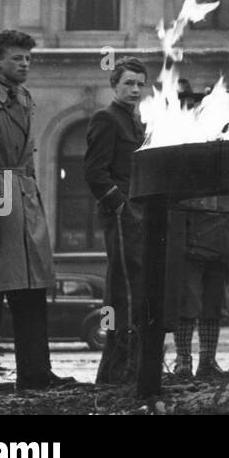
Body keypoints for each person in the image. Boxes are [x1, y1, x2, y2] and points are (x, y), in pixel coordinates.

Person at [0, 30, 71, 391]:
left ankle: (35, 375)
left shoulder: (24, 98)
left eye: (28, 59)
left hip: (24, 205)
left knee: (31, 294)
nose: (25, 65)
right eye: (17, 58)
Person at [83, 57, 149, 385]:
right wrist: (121, 207)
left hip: (138, 216)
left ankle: (124, 369)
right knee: (125, 288)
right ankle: (120, 370)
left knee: (134, 287)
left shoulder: (135, 123)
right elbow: (94, 172)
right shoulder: (106, 119)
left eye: (140, 83)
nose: (135, 89)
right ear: (114, 85)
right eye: (128, 83)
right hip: (122, 217)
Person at [172, 196, 229, 380]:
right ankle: (189, 360)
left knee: (212, 304)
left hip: (220, 240)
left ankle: (200, 361)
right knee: (190, 302)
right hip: (199, 238)